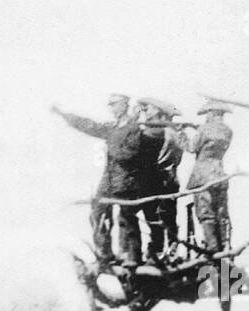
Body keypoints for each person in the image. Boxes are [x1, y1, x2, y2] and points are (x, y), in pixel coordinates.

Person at [52, 94, 162, 267]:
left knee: (127, 217)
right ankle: (105, 253)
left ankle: (132, 256)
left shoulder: (134, 128)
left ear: (124, 105)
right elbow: (90, 126)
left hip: (126, 179)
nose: (110, 108)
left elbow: (131, 153)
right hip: (109, 180)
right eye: (110, 105)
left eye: (114, 105)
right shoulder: (112, 127)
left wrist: (111, 147)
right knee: (98, 212)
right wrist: (64, 115)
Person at [137, 98, 187, 261]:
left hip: (157, 177)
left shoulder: (158, 132)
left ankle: (158, 249)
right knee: (169, 215)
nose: (147, 111)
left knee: (154, 215)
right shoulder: (176, 132)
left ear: (159, 111)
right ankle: (170, 249)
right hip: (170, 178)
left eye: (149, 108)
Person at [184, 101, 234, 253]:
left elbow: (191, 147)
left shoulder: (205, 129)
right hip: (219, 175)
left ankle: (213, 250)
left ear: (212, 113)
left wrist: (181, 134)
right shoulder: (227, 131)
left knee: (206, 215)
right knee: (221, 215)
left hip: (202, 176)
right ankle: (225, 247)